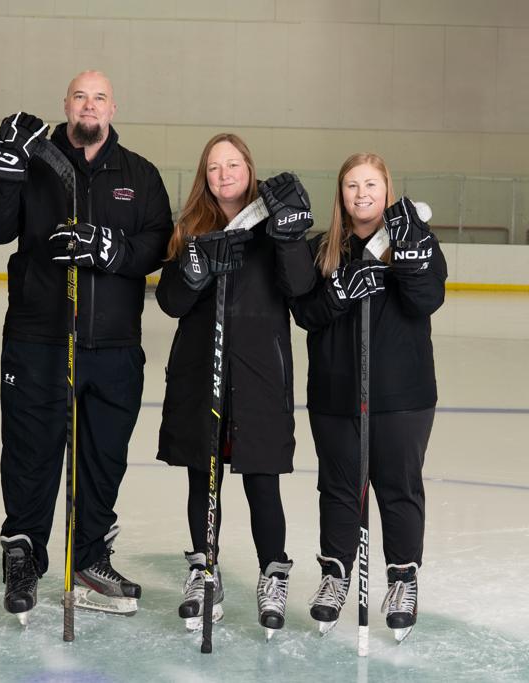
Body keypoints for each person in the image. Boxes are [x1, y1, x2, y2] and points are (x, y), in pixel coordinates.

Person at [0, 71, 173, 620]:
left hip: (113, 347)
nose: (90, 106)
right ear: (66, 105)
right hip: (39, 339)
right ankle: (24, 555)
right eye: (80, 97)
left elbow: (158, 242)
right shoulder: (37, 161)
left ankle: (88, 558)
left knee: (103, 459)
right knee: (30, 454)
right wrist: (7, 171)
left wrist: (109, 248)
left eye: (100, 97)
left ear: (113, 107)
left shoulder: (140, 173)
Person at [155, 134, 317, 636]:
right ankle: (205, 569)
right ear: (204, 177)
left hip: (259, 375)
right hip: (201, 373)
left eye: (233, 164)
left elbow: (302, 290)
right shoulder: (191, 229)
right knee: (203, 479)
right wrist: (197, 269)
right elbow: (171, 302)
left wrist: (289, 237)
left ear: (249, 168)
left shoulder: (272, 226)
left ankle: (273, 573)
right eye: (213, 167)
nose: (223, 174)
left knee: (261, 480)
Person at [289, 152, 446, 642]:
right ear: (341, 195)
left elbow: (428, 299)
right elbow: (306, 314)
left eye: (371, 185)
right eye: (352, 186)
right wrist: (339, 293)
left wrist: (410, 261)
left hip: (403, 395)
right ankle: (335, 577)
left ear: (387, 190)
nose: (362, 194)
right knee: (338, 490)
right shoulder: (322, 251)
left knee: (398, 487)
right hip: (336, 395)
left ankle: (402, 579)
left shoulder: (413, 241)